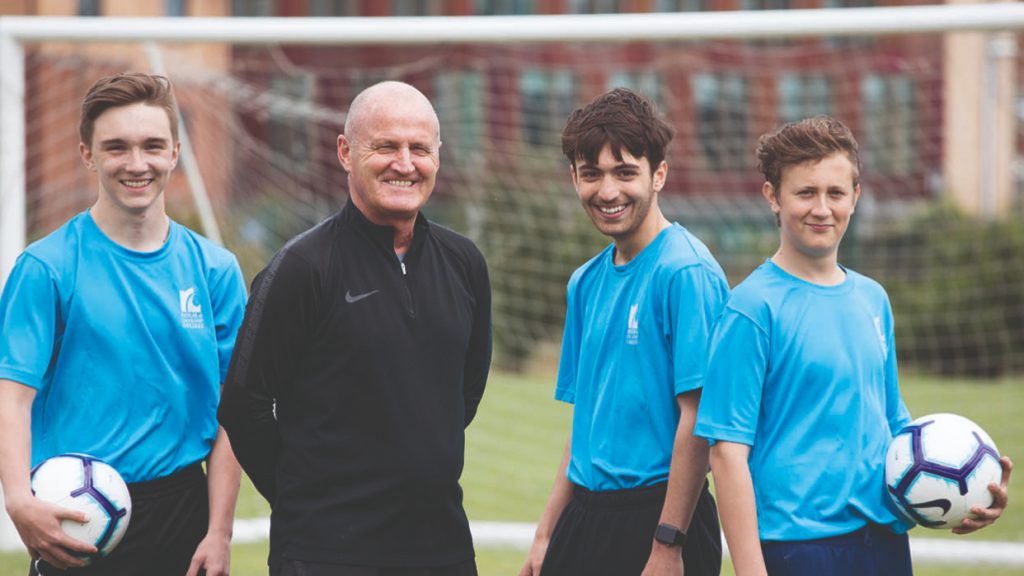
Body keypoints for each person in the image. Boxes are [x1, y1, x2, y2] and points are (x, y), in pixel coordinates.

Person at [693, 116, 1014, 576]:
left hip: (884, 541)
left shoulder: (872, 298)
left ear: (856, 197)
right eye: (805, 192)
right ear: (772, 198)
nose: (822, 208)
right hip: (797, 547)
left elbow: (892, 423)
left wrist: (962, 498)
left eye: (835, 193)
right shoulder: (751, 308)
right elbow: (726, 454)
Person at [217, 80, 492, 576]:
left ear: (438, 157)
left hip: (442, 549)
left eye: (419, 149)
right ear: (345, 152)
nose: (405, 164)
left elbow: (464, 396)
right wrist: (307, 496)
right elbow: (243, 404)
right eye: (385, 146)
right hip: (325, 555)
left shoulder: (465, 263)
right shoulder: (301, 267)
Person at [0, 72, 247, 576]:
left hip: (184, 509)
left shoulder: (216, 271)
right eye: (117, 147)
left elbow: (233, 414)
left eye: (153, 146)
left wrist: (219, 531)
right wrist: (19, 502)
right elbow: (11, 398)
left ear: (175, 152)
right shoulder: (45, 268)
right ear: (89, 155)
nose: (138, 164)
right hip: (74, 510)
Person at [520, 88, 727, 576]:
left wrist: (668, 544)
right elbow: (584, 427)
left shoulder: (686, 272)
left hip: (661, 519)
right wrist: (547, 532)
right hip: (585, 517)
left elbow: (700, 422)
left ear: (658, 173)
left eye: (625, 172)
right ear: (574, 177)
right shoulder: (585, 283)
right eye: (591, 174)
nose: (607, 191)